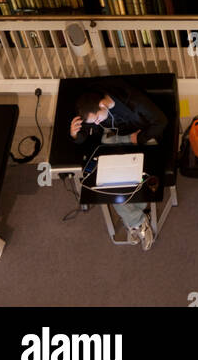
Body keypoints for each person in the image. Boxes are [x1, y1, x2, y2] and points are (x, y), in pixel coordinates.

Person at [69, 78, 168, 251]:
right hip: (112, 139)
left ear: (103, 105)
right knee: (109, 183)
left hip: (138, 136)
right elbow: (86, 131)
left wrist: (140, 138)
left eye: (98, 119)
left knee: (123, 180)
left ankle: (135, 222)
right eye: (94, 122)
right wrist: (75, 134)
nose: (97, 123)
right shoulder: (89, 100)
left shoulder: (132, 101)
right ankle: (137, 220)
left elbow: (161, 121)